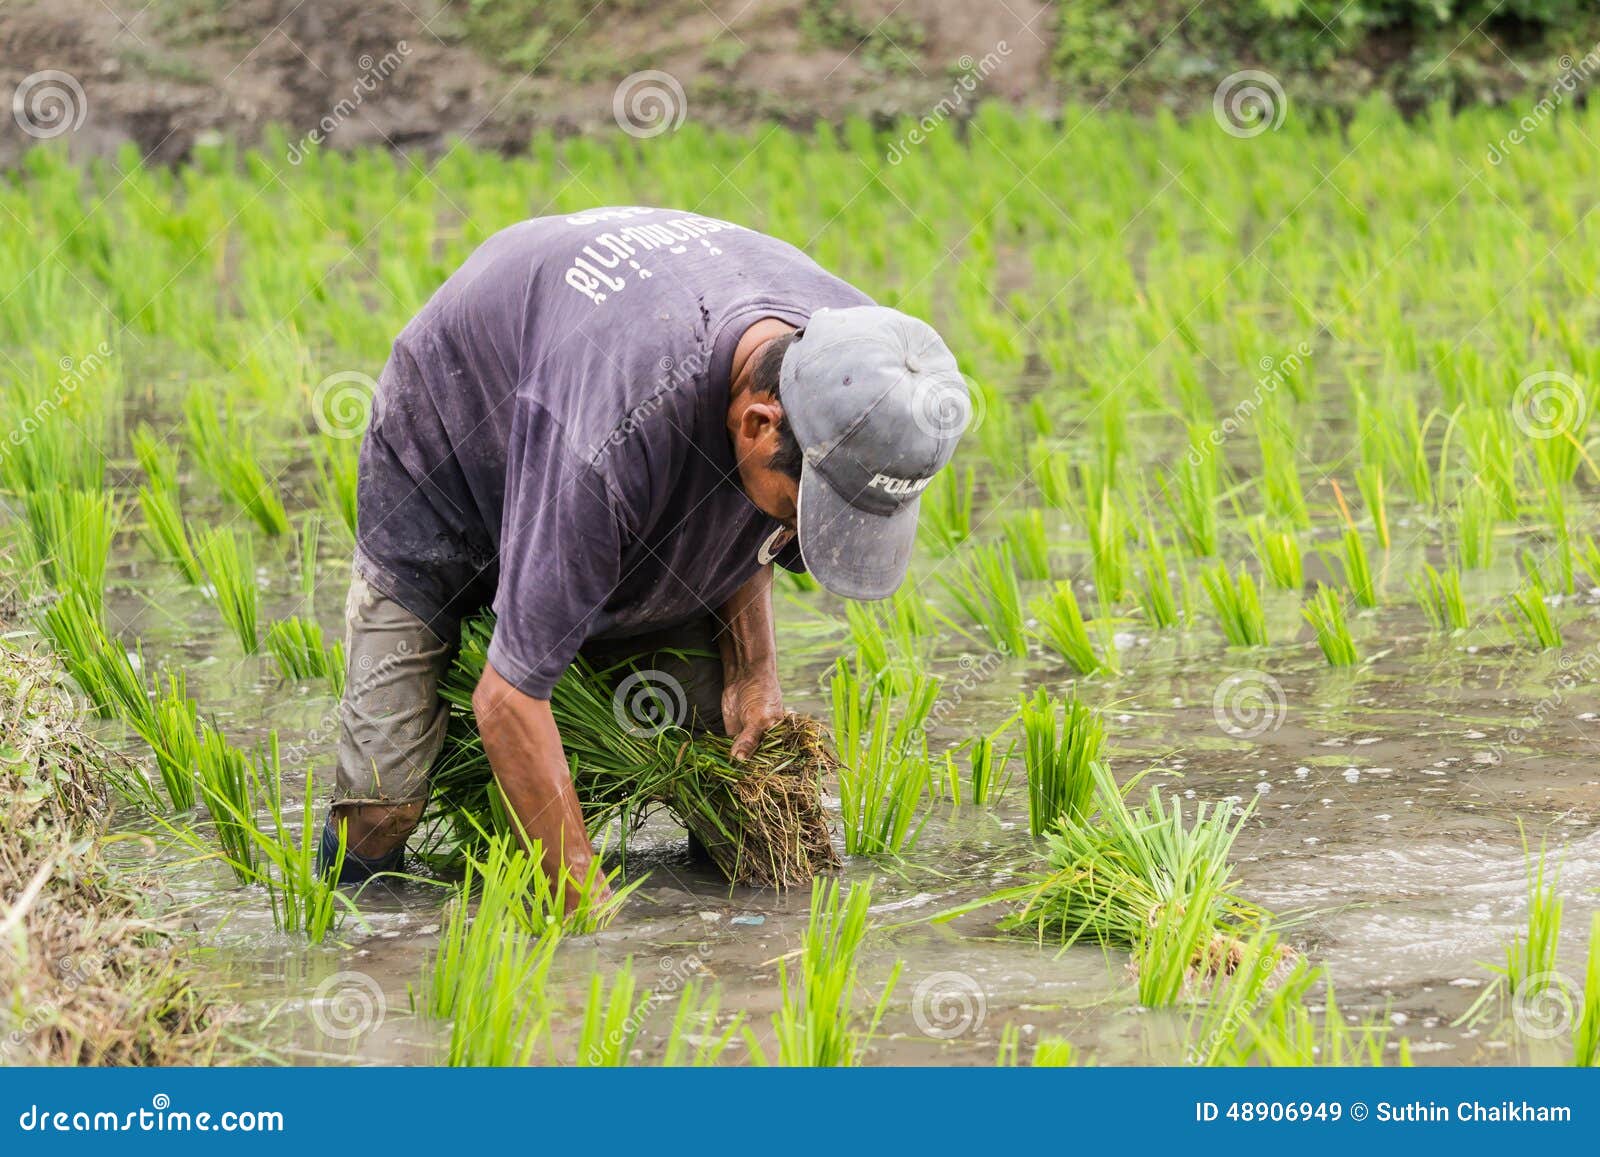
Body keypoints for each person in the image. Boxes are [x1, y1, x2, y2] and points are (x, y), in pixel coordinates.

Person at [318, 205, 968, 900]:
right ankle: (345, 927)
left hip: (609, 453)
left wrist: (754, 672)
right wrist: (587, 921)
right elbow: (507, 699)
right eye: (803, 507)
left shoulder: (866, 365)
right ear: (757, 424)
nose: (804, 532)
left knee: (746, 814)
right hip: (448, 468)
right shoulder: (611, 442)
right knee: (385, 808)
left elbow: (749, 519)